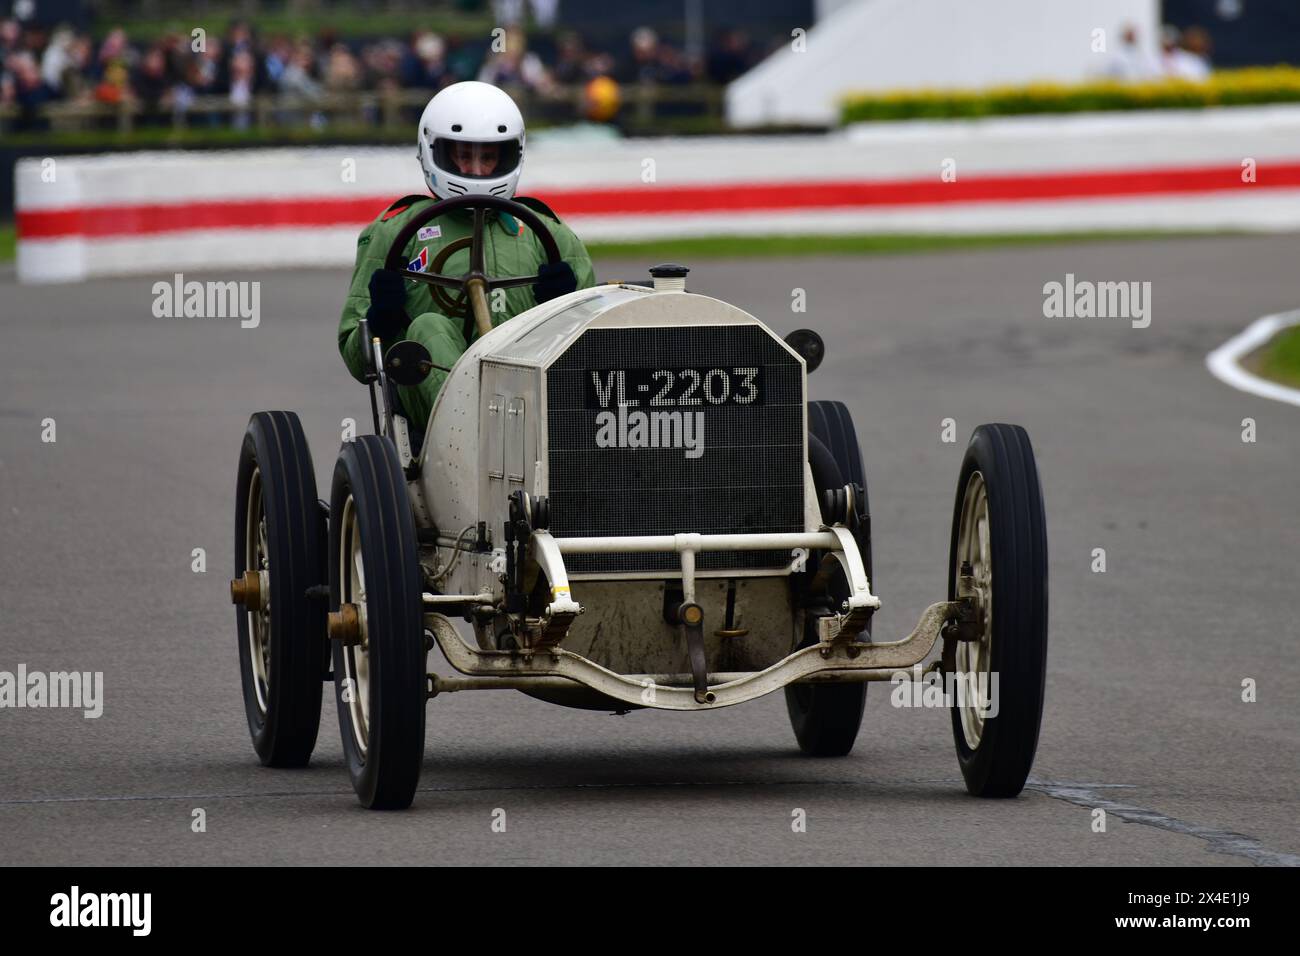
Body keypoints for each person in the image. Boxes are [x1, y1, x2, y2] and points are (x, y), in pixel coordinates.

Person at [337, 81, 594, 434]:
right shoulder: (394, 231)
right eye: (463, 155)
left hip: (528, 407)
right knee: (429, 326)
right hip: (432, 425)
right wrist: (380, 319)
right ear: (435, 151)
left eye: (488, 158)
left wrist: (566, 310)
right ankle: (474, 433)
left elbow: (591, 358)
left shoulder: (547, 233)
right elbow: (357, 362)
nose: (475, 170)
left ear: (509, 156)